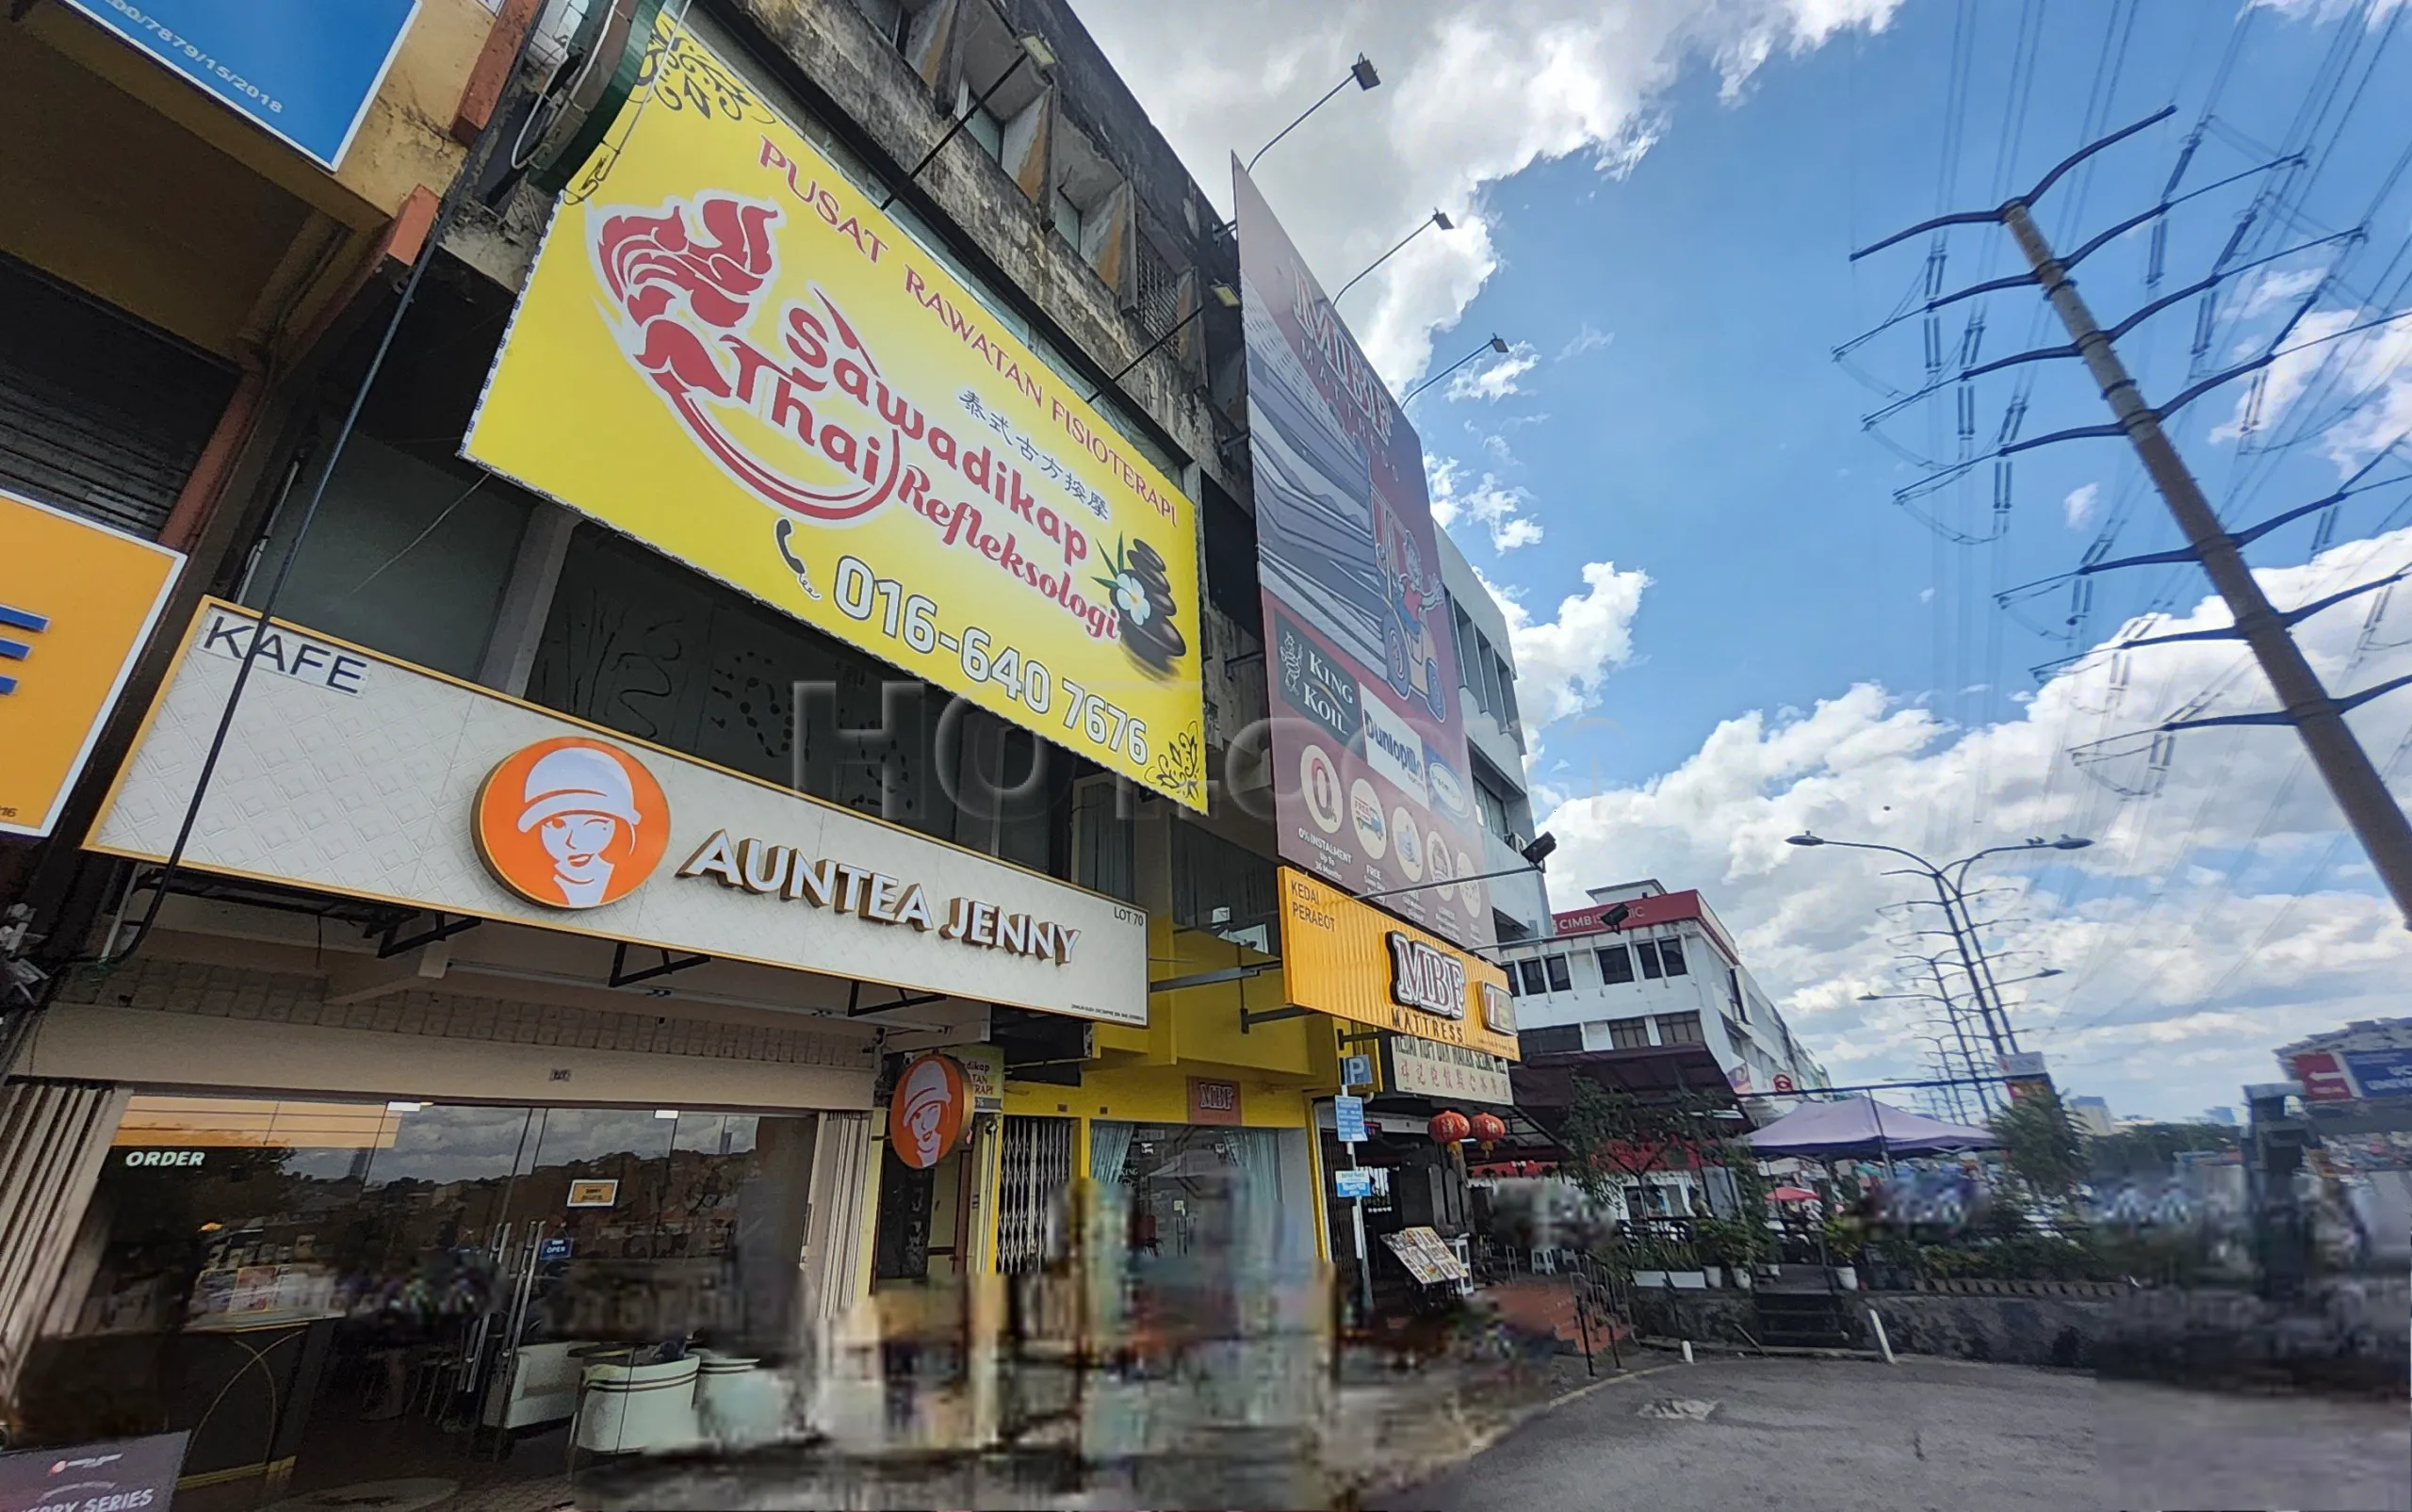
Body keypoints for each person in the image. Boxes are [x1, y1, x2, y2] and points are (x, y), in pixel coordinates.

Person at [515, 745, 644, 906]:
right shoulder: (531, 878)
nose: (574, 842)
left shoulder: (621, 877)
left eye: (594, 824)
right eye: (558, 824)